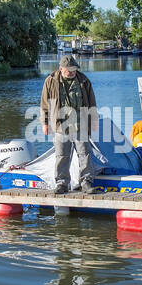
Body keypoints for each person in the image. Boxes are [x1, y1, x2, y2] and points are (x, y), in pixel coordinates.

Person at [40, 54, 97, 192]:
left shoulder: (83, 80)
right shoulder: (50, 80)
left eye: (74, 69)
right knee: (61, 156)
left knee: (85, 154)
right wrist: (45, 123)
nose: (72, 72)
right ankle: (62, 183)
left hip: (80, 124)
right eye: (69, 70)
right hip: (60, 126)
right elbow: (44, 104)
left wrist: (93, 120)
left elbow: (92, 102)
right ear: (61, 68)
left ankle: (86, 182)